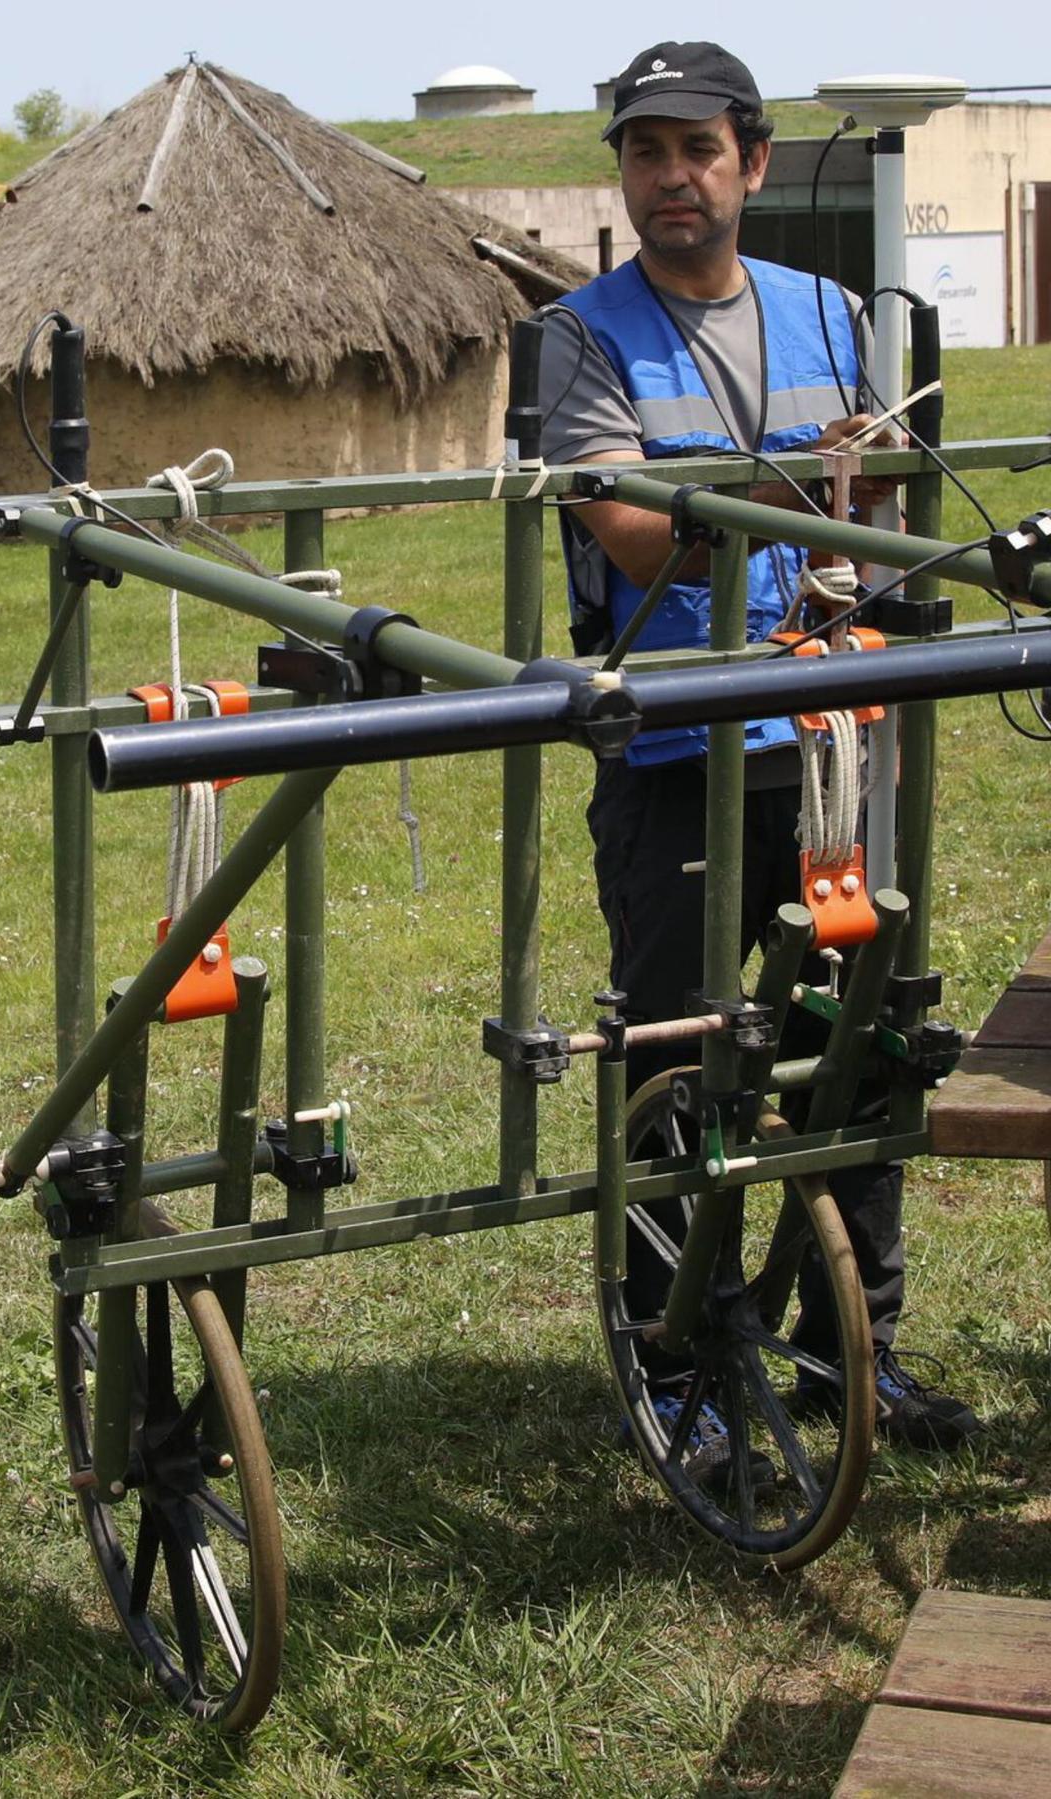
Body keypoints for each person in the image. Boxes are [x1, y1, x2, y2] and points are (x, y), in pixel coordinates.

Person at [539, 40, 979, 1460]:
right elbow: (637, 533)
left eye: (697, 151)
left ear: (754, 164)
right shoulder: (582, 332)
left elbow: (896, 495)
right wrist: (806, 483)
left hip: (837, 741)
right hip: (674, 747)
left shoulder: (837, 314)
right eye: (645, 153)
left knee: (861, 1039)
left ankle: (859, 1351)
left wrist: (861, 482)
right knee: (680, 1052)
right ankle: (679, 1365)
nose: (672, 178)